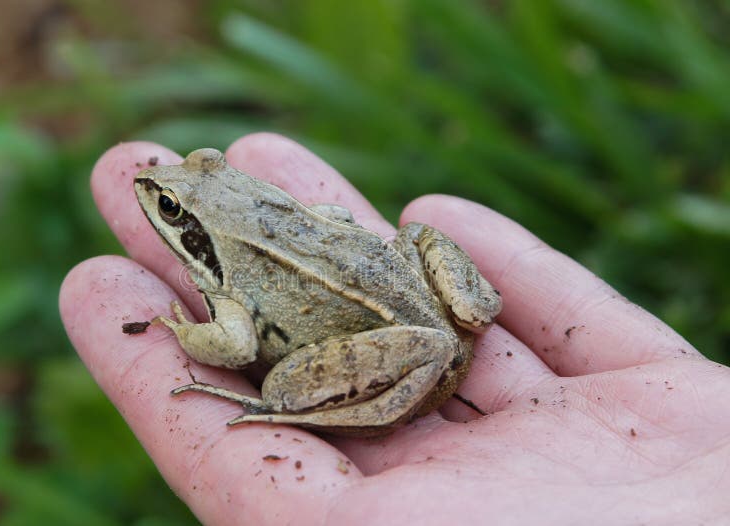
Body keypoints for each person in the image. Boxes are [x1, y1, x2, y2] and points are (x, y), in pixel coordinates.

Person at [59, 133, 730, 525]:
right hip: (414, 298)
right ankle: (446, 329)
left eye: (173, 207)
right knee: (418, 236)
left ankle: (316, 402)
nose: (158, 194)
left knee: (282, 384)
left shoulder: (219, 269)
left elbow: (234, 344)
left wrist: (183, 334)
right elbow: (336, 220)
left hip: (388, 335)